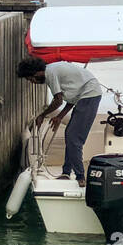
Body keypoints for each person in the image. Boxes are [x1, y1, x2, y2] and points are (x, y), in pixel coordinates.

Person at [18, 56, 103, 184]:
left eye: (31, 79)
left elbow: (58, 101)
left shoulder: (50, 73)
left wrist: (42, 115)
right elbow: (71, 99)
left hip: (90, 94)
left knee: (73, 137)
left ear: (36, 73)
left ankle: (80, 177)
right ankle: (66, 173)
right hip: (85, 95)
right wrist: (59, 117)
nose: (32, 82)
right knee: (70, 134)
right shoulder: (53, 70)